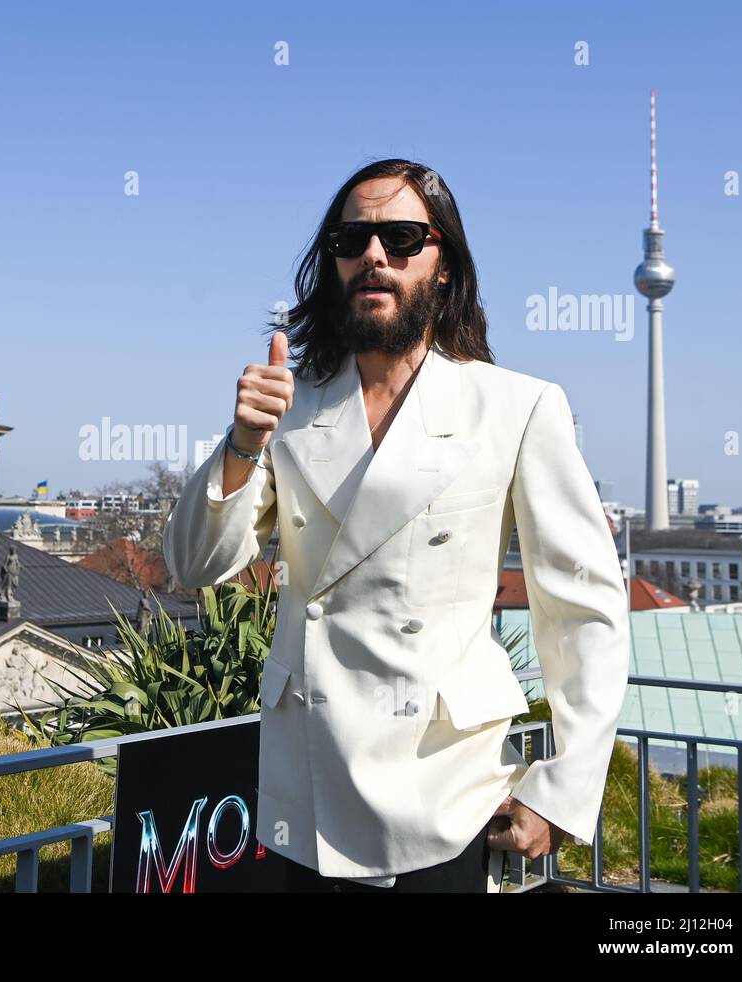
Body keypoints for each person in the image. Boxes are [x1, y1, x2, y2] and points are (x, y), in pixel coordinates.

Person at [162, 158, 631, 893]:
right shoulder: (290, 405)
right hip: (305, 788)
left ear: (444, 265)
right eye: (353, 239)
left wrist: (561, 790)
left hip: (449, 789)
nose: (374, 255)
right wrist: (241, 445)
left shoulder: (517, 407)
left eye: (404, 236)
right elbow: (195, 565)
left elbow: (584, 614)